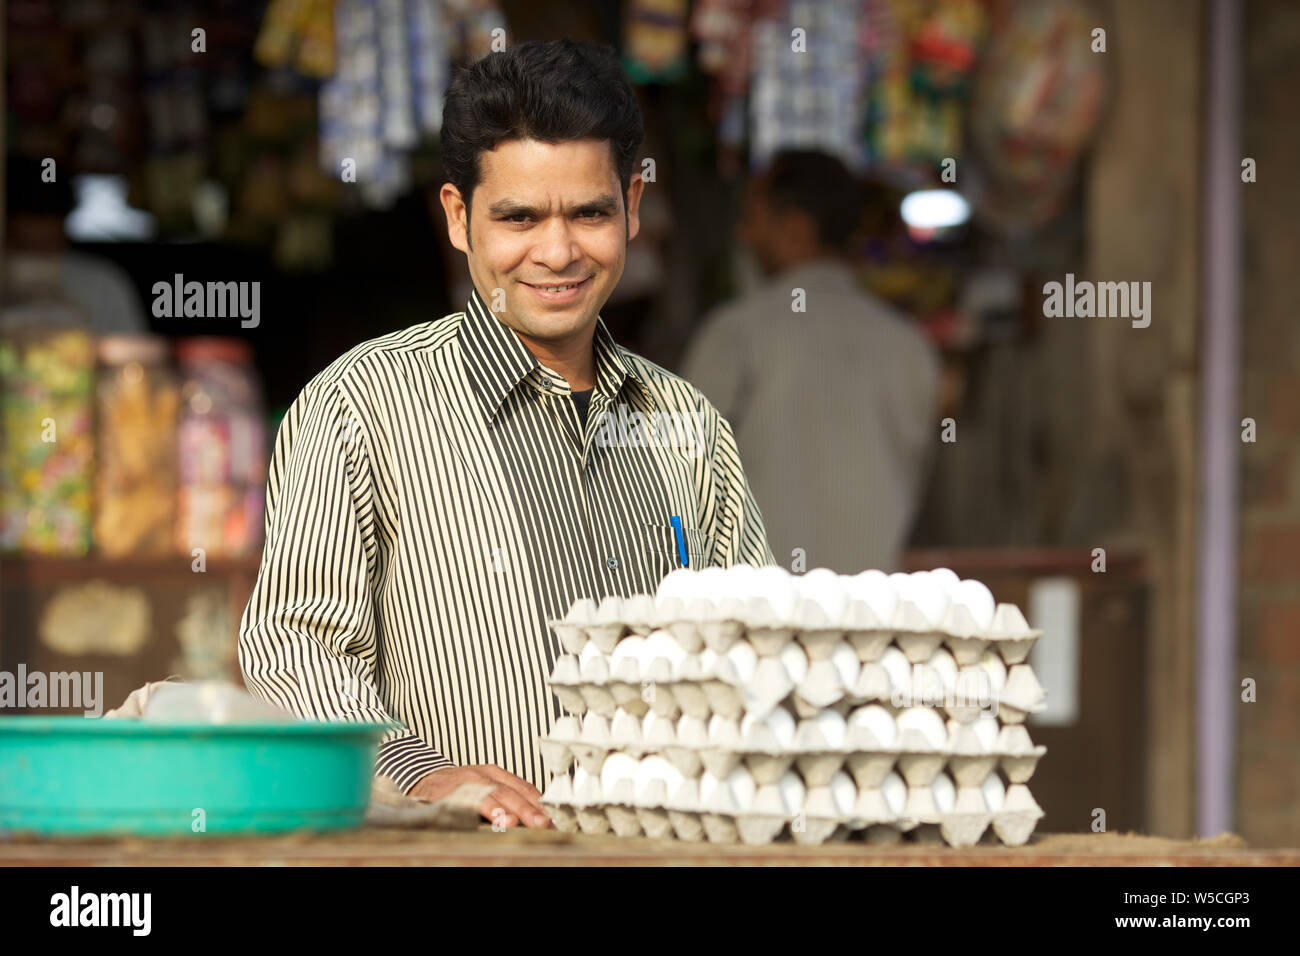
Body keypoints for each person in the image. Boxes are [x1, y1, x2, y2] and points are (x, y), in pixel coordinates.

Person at [238, 39, 775, 829]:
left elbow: (757, 648)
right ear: (458, 218)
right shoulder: (364, 405)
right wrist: (418, 772)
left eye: (589, 213)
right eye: (519, 217)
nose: (557, 252)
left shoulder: (686, 426)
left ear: (631, 206)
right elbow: (294, 648)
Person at [681, 150, 940, 575]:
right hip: (875, 618)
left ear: (797, 230)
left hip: (756, 622)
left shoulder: (739, 333)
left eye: (754, 218)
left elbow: (681, 475)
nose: (745, 235)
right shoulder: (911, 346)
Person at [3, 154, 149, 335]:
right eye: (23, 246)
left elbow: (130, 354)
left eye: (47, 245)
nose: (36, 260)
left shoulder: (102, 285)